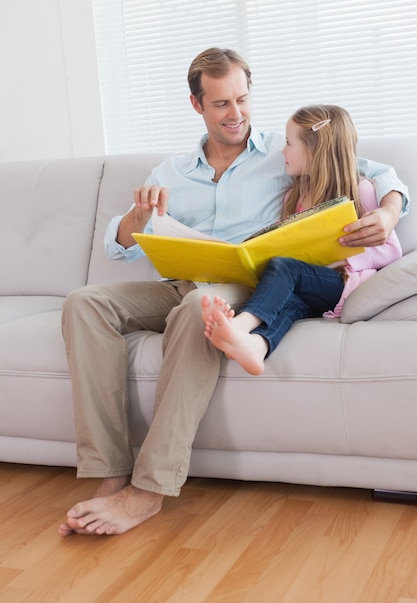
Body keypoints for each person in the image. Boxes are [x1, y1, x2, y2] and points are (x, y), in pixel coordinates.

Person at [59, 49, 408, 537]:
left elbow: (379, 173)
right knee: (85, 302)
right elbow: (117, 245)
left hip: (242, 286)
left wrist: (389, 214)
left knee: (198, 308)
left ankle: (150, 488)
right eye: (221, 103)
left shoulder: (283, 148)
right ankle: (108, 471)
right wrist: (136, 220)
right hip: (182, 280)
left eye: (243, 99)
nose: (236, 114)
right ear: (196, 104)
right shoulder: (171, 171)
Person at [201, 105, 403, 376]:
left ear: (314, 150)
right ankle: (257, 346)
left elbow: (392, 250)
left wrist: (341, 256)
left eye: (288, 143)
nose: (282, 151)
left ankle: (240, 325)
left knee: (285, 267)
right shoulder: (293, 198)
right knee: (291, 303)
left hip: (341, 284)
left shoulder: (361, 191)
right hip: (309, 288)